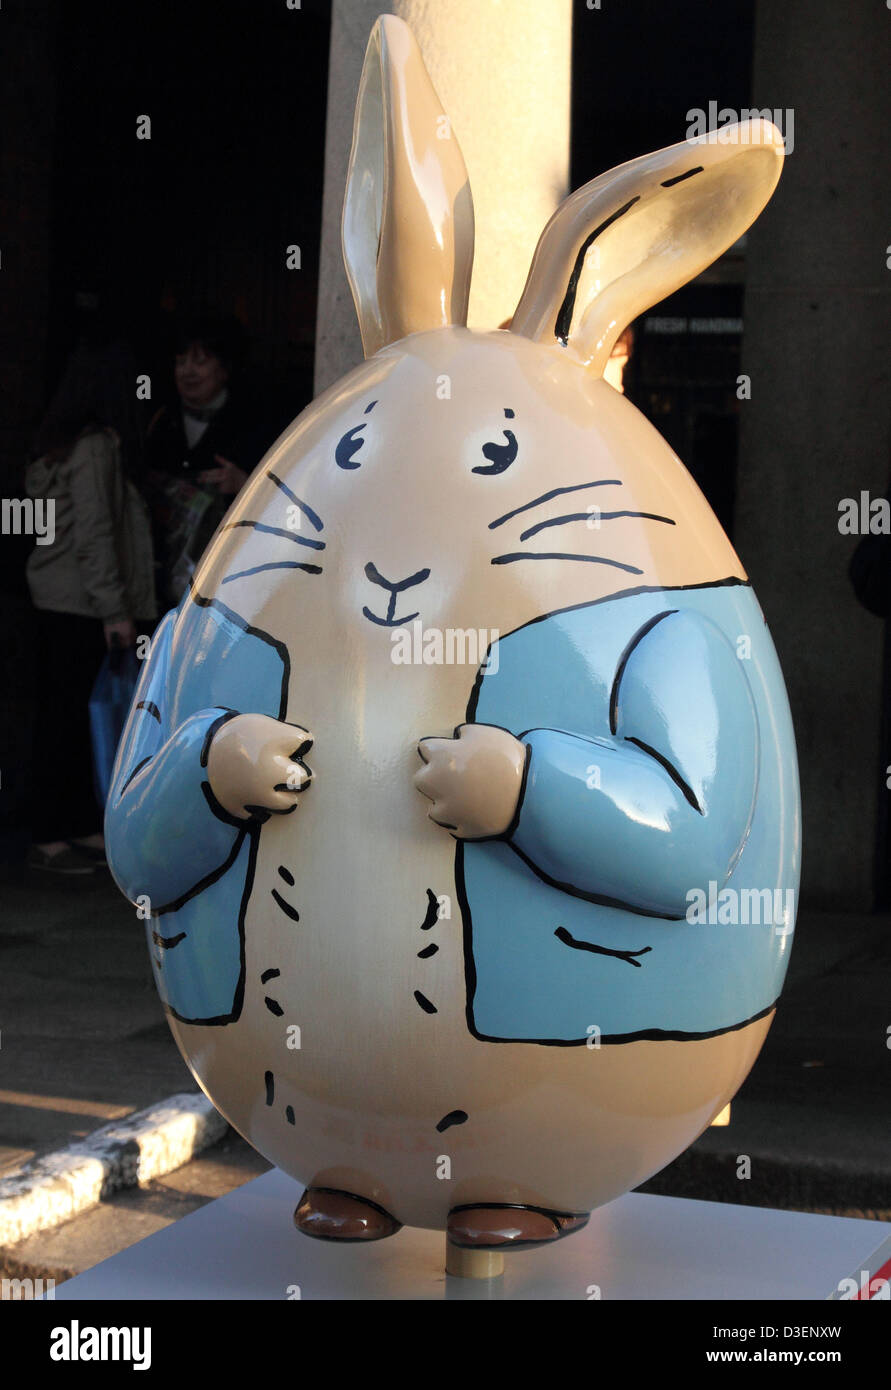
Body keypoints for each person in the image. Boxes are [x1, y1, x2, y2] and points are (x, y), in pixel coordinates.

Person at [24, 341, 157, 874]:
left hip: (55, 598)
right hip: (82, 604)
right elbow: (97, 532)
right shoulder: (96, 447)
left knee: (63, 717)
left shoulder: (54, 446)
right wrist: (114, 610)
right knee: (74, 722)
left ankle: (68, 827)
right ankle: (54, 833)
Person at [145, 312, 282, 605]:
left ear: (224, 369)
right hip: (156, 572)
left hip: (221, 580)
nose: (188, 372)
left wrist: (245, 483)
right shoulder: (158, 419)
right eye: (181, 362)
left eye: (200, 361)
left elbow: (283, 497)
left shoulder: (253, 422)